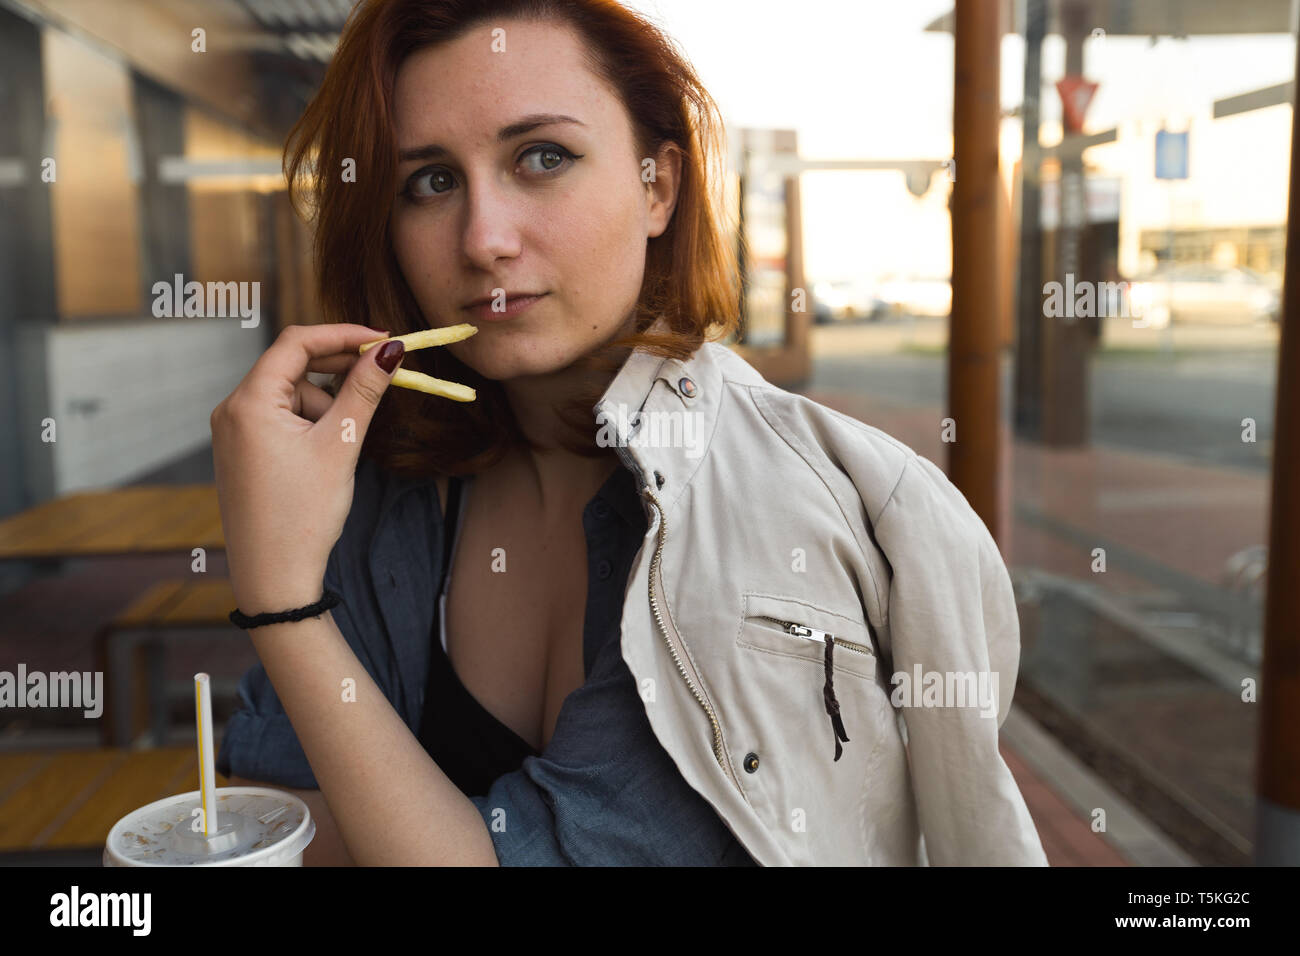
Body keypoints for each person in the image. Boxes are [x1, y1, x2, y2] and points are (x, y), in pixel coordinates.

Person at [212, 0, 1048, 866]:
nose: (484, 239)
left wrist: (282, 600)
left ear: (658, 186)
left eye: (543, 157)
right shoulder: (383, 484)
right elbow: (282, 819)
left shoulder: (781, 517)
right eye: (430, 180)